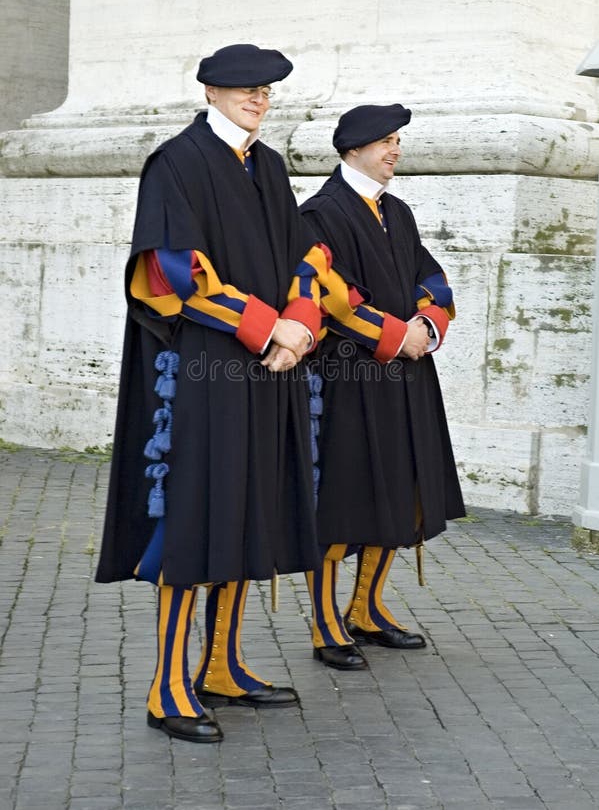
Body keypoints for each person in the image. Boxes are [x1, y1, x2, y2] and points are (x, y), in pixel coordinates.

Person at [95, 44, 331, 742]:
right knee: (196, 519)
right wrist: (268, 330)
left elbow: (306, 259)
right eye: (243, 90)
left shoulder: (270, 165)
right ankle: (167, 688)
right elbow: (173, 271)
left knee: (248, 511)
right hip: (206, 373)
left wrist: (301, 327)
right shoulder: (177, 162)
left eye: (264, 91)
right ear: (209, 91)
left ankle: (222, 665)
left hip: (271, 374)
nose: (257, 99)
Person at [300, 103, 466, 671]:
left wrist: (428, 324)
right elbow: (330, 294)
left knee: (401, 490)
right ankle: (325, 625)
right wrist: (397, 336)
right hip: (350, 378)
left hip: (407, 377)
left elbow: (431, 276)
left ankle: (365, 609)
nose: (395, 150)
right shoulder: (320, 213)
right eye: (384, 141)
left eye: (397, 140)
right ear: (352, 149)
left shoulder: (397, 210)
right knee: (342, 500)